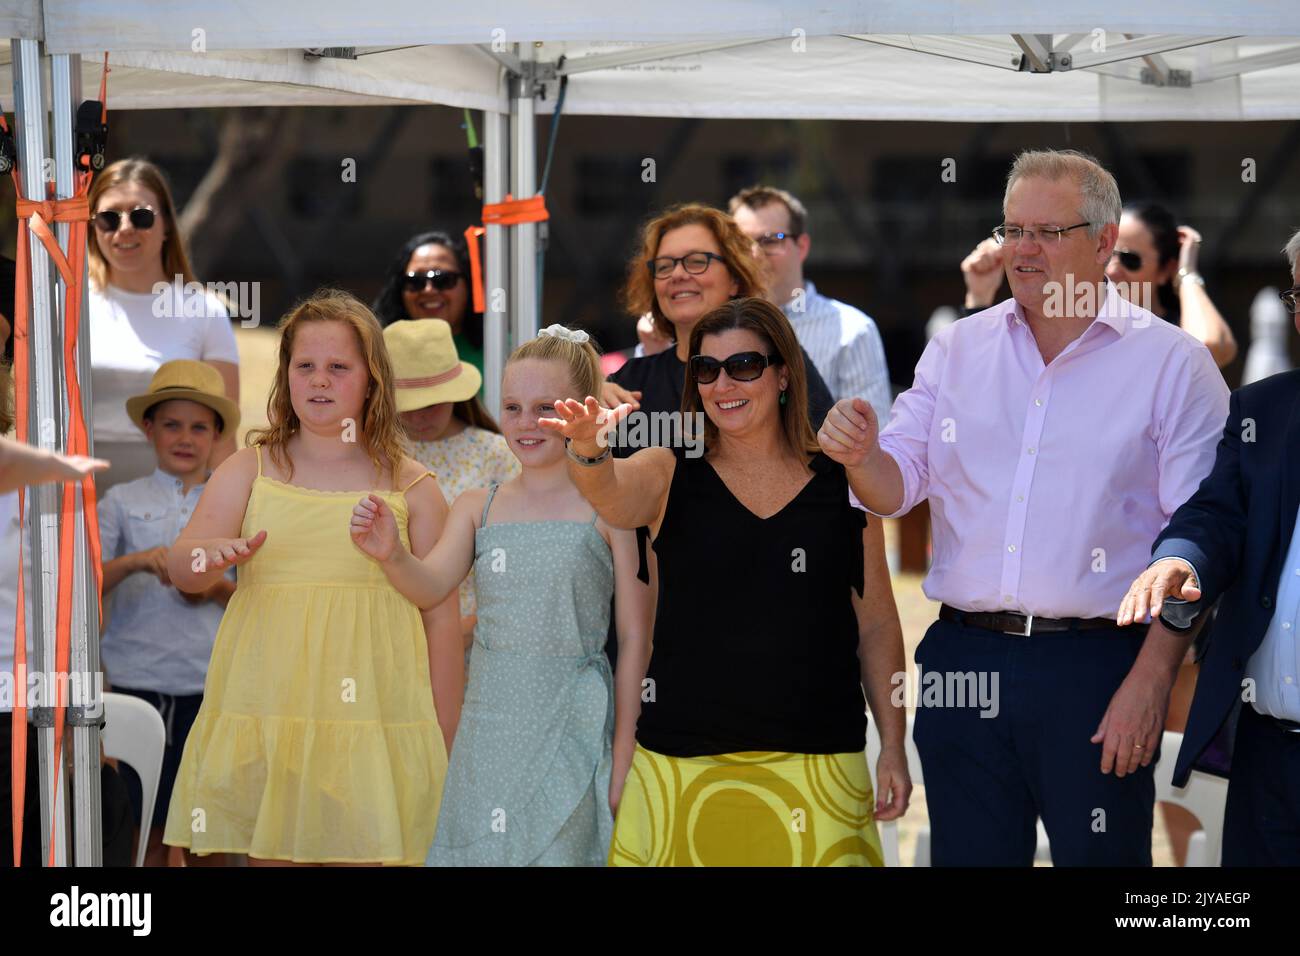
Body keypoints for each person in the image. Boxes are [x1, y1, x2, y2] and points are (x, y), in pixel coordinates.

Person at [819, 149, 1230, 866]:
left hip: (1101, 666)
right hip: (962, 658)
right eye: (1012, 230)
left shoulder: (1172, 363)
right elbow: (894, 486)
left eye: (1047, 231)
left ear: (1104, 243)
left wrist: (1153, 678)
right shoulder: (957, 350)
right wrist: (860, 454)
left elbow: (1201, 540)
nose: (1023, 249)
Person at [544, 297, 909, 867]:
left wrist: (892, 745)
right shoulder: (669, 469)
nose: (721, 383)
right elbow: (612, 496)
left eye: (743, 365)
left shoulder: (842, 480)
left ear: (783, 373)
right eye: (705, 370)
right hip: (681, 768)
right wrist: (589, 449)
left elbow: (879, 624)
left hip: (821, 766)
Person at [160, 290, 462, 866]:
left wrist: (444, 743)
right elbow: (183, 569)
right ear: (285, 375)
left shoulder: (413, 487)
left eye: (338, 367)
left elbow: (440, 622)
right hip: (270, 714)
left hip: (374, 725)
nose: (319, 381)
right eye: (305, 366)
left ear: (371, 380)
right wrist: (211, 555)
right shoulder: (248, 468)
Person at [352, 324, 652, 866]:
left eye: (545, 407)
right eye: (512, 406)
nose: (525, 423)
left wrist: (623, 749)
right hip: (487, 733)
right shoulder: (476, 505)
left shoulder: (611, 509)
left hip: (572, 724)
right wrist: (392, 553)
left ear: (582, 408)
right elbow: (431, 585)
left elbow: (635, 637)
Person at [1117, 230, 1300, 866]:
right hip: (1268, 757)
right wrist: (1181, 557)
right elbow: (1215, 513)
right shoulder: (1265, 411)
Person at [97, 360, 240, 866]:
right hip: (138, 683)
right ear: (148, 428)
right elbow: (83, 585)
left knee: (207, 832)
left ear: (218, 434)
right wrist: (137, 562)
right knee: (145, 832)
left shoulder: (235, 503)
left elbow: (260, 596)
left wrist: (216, 587)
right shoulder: (119, 501)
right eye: (172, 424)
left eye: (199, 426)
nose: (185, 438)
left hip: (212, 685)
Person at [603, 204, 835, 437]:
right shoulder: (628, 383)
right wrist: (592, 403)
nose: (677, 275)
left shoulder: (779, 363)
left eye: (696, 261)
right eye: (664, 266)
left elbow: (826, 459)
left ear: (735, 278)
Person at [88, 158, 240, 491]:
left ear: (168, 224)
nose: (124, 228)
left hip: (174, 507)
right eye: (108, 218)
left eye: (141, 216)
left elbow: (223, 439)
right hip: (76, 503)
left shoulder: (204, 310)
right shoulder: (65, 305)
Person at [961, 203, 1238, 368]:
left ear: (1165, 269)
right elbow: (981, 376)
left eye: (1130, 260)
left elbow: (1209, 346)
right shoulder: (1072, 324)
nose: (1114, 269)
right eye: (1107, 253)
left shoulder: (1177, 334)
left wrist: (1186, 273)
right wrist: (980, 294)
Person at [385, 319, 519, 659]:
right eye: (406, 406)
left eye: (430, 403)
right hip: (386, 640)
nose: (417, 417)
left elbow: (520, 561)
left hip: (479, 640)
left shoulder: (498, 455)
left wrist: (468, 628)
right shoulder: (369, 457)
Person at [728, 185, 892, 424]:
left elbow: (872, 444)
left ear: (802, 246)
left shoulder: (853, 330)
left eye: (769, 240)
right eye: (742, 243)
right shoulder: (714, 328)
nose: (753, 254)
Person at [373, 230, 485, 387]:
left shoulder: (502, 349)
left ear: (469, 284)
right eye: (416, 281)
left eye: (443, 279)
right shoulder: (376, 357)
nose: (429, 290)